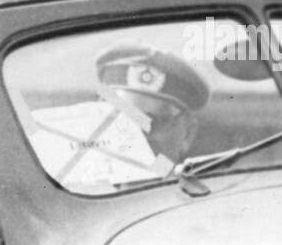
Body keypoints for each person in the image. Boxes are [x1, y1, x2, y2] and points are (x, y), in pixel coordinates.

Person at [27, 41, 209, 192]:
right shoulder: (70, 194)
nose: (136, 135)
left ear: (187, 134)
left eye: (152, 122)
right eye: (121, 120)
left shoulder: (200, 206)